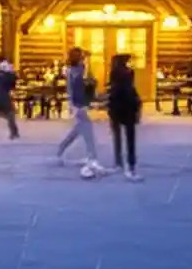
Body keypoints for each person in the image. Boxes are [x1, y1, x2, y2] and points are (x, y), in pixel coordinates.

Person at [57, 47, 104, 177]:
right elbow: (74, 89)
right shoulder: (73, 71)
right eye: (82, 56)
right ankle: (92, 158)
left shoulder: (79, 69)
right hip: (78, 104)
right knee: (88, 131)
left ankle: (61, 149)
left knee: (78, 130)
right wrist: (75, 105)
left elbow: (88, 81)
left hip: (80, 102)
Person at [106, 54, 143, 181]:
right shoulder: (127, 74)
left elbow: (113, 91)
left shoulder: (113, 74)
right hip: (127, 108)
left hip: (115, 108)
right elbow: (129, 91)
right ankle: (130, 166)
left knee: (117, 137)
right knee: (130, 138)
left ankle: (118, 162)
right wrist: (136, 105)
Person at [0, 54, 20, 139]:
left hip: (3, 95)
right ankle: (14, 131)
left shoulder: (2, 71)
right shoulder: (7, 70)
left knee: (4, 113)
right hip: (4, 94)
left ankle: (14, 131)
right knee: (6, 113)